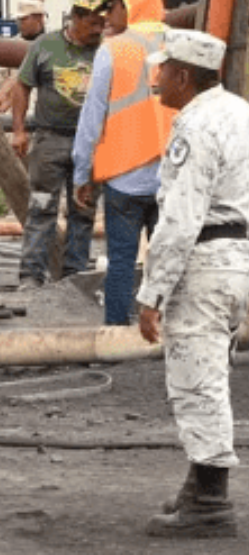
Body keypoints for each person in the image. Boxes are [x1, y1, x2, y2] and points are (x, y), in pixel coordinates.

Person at [135, 29, 249, 539]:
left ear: (183, 75)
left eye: (163, 70)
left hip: (203, 262)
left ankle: (210, 501)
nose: (157, 78)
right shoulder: (240, 113)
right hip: (237, 257)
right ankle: (197, 487)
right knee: (211, 371)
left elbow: (181, 218)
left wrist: (152, 292)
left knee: (197, 382)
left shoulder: (196, 127)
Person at [72, 0, 173, 325]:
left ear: (131, 4)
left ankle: (117, 333)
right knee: (170, 264)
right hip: (171, 177)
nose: (105, 16)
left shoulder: (113, 50)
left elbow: (92, 117)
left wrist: (82, 174)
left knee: (121, 263)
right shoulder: (178, 44)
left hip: (124, 178)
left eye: (111, 6)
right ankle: (170, 332)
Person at [11, 0, 104, 286]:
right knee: (41, 207)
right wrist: (19, 130)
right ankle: (31, 275)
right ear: (76, 17)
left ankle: (74, 277)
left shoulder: (106, 51)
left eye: (102, 22)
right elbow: (22, 86)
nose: (98, 29)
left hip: (90, 143)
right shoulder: (45, 46)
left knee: (83, 211)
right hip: (50, 139)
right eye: (93, 22)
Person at [0, 0, 48, 91]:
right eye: (19, 20)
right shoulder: (12, 45)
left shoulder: (53, 45)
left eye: (24, 19)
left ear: (39, 19)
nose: (20, 24)